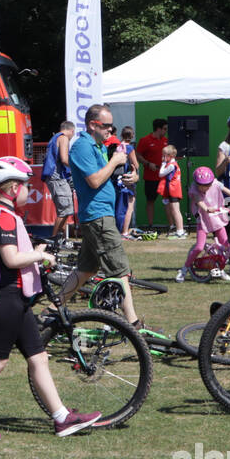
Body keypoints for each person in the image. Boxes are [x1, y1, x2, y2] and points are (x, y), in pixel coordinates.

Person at [0, 157, 101, 441]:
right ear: (11, 188)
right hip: (4, 297)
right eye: (26, 185)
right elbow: (11, 258)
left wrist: (36, 250)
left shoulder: (6, 216)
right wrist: (39, 254)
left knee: (39, 358)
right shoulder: (3, 218)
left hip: (16, 298)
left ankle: (62, 418)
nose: (29, 191)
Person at [58, 104, 142, 328]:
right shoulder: (82, 147)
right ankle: (133, 324)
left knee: (86, 269)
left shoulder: (98, 146)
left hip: (100, 214)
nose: (110, 131)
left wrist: (130, 176)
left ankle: (52, 309)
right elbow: (94, 180)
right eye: (107, 126)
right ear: (93, 125)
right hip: (97, 216)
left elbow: (104, 177)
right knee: (120, 270)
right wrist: (114, 161)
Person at [175, 166, 230, 282]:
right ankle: (184, 269)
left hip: (217, 218)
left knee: (226, 247)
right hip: (203, 220)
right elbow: (199, 201)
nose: (205, 188)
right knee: (199, 247)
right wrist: (207, 208)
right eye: (202, 185)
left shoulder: (216, 183)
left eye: (207, 185)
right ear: (196, 183)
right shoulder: (194, 189)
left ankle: (220, 268)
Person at [41, 121, 76, 242]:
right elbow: (65, 159)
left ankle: (61, 238)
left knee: (66, 210)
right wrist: (77, 166)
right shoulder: (64, 138)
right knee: (65, 209)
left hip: (54, 177)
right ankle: (53, 239)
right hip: (57, 178)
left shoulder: (54, 138)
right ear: (71, 130)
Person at [136, 118, 168, 227]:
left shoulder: (166, 140)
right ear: (158, 129)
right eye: (164, 129)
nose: (166, 131)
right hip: (151, 177)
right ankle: (150, 225)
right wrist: (148, 163)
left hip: (164, 177)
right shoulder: (145, 140)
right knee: (150, 201)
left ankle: (172, 226)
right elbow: (138, 155)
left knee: (168, 201)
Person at [114, 126, 140, 236]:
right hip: (127, 179)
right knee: (129, 206)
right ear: (132, 135)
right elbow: (136, 164)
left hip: (117, 179)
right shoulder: (129, 148)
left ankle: (119, 230)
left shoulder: (117, 147)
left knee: (119, 205)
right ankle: (124, 231)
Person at [157, 144, 185, 237]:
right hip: (172, 190)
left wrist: (163, 164)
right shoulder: (172, 164)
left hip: (174, 190)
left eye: (165, 155)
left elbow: (161, 174)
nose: (163, 157)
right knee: (173, 210)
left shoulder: (172, 165)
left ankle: (180, 231)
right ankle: (178, 229)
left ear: (171, 156)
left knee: (176, 211)